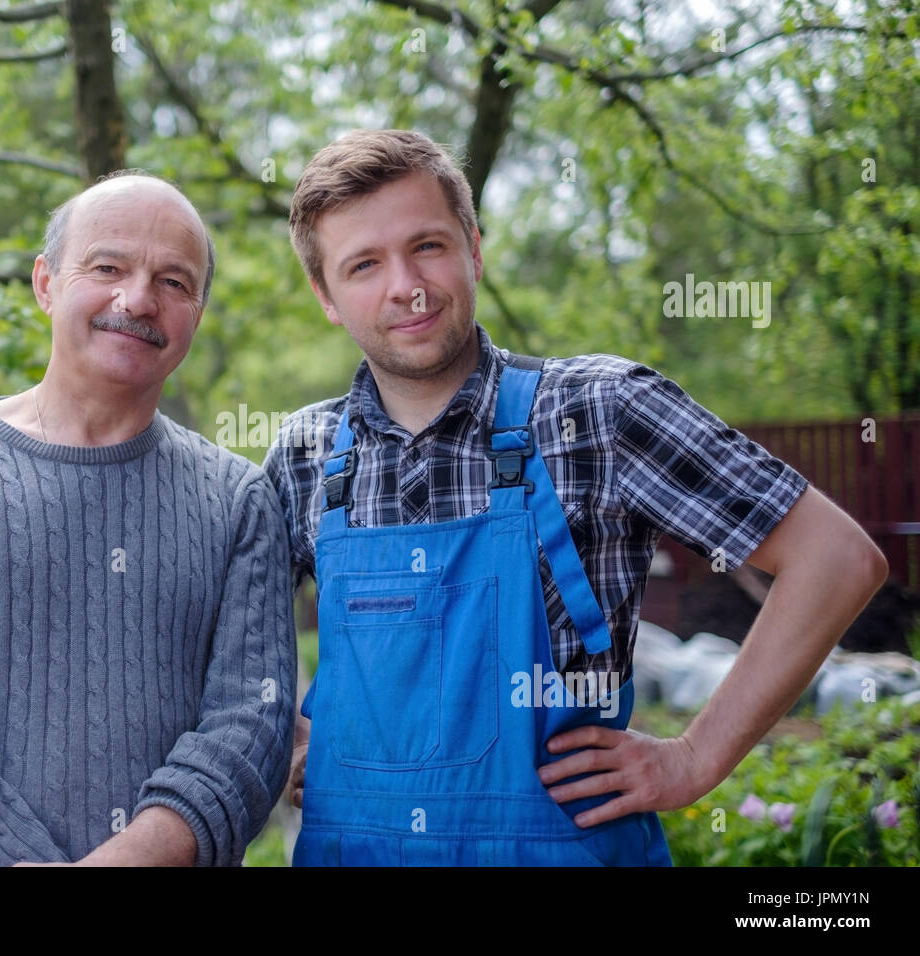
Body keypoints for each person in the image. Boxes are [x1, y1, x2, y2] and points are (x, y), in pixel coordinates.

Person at [263, 129, 888, 866]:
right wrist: (289, 742)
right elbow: (219, 639)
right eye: (364, 264)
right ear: (325, 295)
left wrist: (694, 758)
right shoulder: (303, 456)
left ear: (474, 248)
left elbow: (837, 558)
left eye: (427, 246)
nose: (407, 285)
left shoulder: (596, 412)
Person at [0, 170, 296, 866]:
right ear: (46, 282)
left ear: (197, 313)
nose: (139, 299)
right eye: (108, 266)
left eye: (174, 282)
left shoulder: (238, 502)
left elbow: (249, 731)